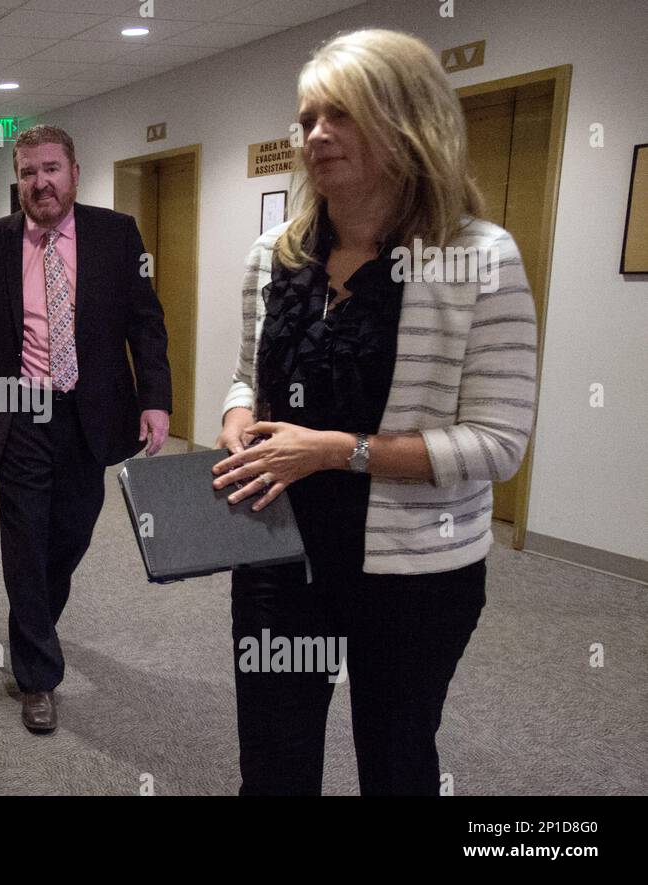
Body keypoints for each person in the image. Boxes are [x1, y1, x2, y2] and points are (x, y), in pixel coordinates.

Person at [214, 29, 538, 795]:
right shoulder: (274, 254)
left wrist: (335, 450)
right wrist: (236, 419)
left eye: (343, 115)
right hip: (280, 554)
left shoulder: (479, 259)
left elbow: (497, 443)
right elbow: (242, 377)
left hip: (414, 573)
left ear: (408, 122)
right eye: (308, 119)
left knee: (395, 762)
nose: (317, 135)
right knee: (273, 764)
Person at [0, 124, 172, 734]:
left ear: (74, 172)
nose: (39, 183)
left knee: (68, 535)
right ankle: (38, 676)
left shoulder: (117, 236)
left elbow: (145, 321)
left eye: (50, 169)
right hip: (20, 411)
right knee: (23, 540)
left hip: (90, 413)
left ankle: (29, 629)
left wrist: (156, 399)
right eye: (27, 172)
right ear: (17, 180)